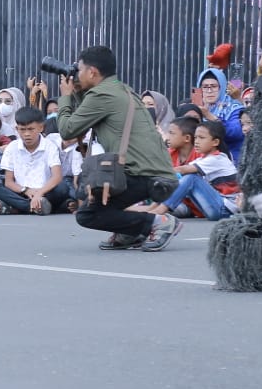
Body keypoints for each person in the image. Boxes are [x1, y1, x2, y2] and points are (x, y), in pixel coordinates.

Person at [56, 45, 181, 251]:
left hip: (144, 175)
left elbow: (67, 130)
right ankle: (131, 232)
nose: (75, 74)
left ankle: (159, 223)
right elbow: (84, 119)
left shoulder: (102, 96)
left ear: (92, 72)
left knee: (88, 213)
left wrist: (65, 96)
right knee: (92, 199)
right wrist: (77, 92)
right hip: (156, 173)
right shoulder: (121, 89)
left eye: (79, 70)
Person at [0, 106, 72, 214]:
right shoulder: (12, 147)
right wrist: (26, 190)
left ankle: (19, 207)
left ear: (41, 128)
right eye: (22, 130)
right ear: (17, 129)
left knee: (63, 187)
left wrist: (39, 194)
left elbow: (57, 177)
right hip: (20, 192)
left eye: (31, 129)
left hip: (45, 192)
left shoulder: (50, 146)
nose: (27, 134)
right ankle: (31, 207)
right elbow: (9, 182)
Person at [143, 119, 239, 221]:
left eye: (201, 138)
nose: (197, 141)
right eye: (196, 137)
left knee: (191, 178)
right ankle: (151, 210)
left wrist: (157, 173)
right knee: (176, 182)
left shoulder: (218, 158)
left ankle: (160, 210)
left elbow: (183, 170)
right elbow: (179, 176)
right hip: (210, 208)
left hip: (224, 209)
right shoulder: (201, 160)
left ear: (215, 142)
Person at [195, 66, 246, 163]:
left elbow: (237, 132)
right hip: (201, 160)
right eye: (205, 87)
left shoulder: (234, 107)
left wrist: (210, 117)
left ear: (222, 87)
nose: (209, 91)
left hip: (231, 161)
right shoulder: (197, 107)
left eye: (214, 86)